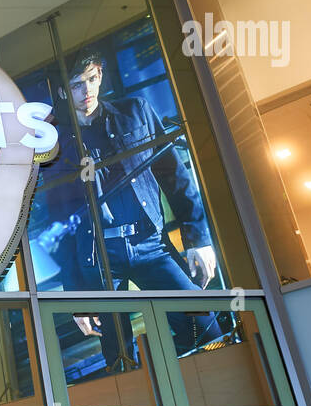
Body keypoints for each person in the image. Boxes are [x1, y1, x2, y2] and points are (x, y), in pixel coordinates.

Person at [40, 48, 223, 368]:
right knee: (120, 357)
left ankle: (207, 380)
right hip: (98, 257)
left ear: (100, 76)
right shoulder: (56, 143)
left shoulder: (136, 111)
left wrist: (199, 238)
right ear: (63, 92)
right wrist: (77, 297)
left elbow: (175, 177)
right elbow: (61, 221)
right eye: (77, 85)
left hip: (150, 244)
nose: (87, 90)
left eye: (92, 79)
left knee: (205, 329)